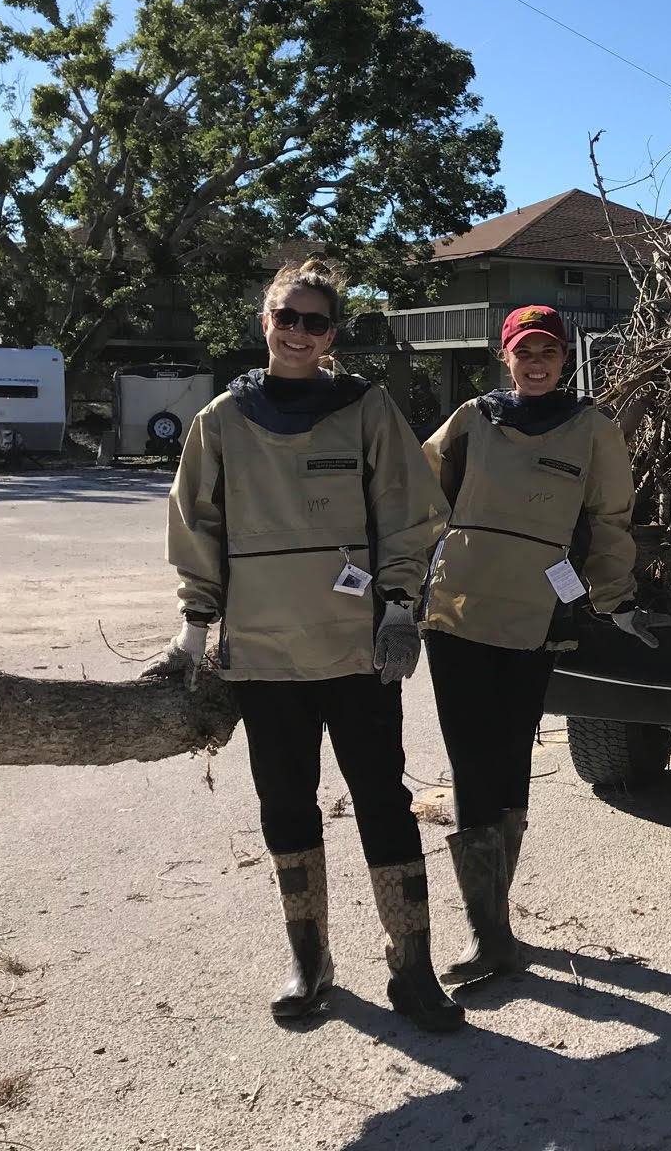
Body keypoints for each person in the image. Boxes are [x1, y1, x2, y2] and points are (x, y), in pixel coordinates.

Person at [156, 258, 463, 1032]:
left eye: (314, 321)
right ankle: (310, 958)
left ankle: (411, 967)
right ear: (264, 321)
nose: (298, 332)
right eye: (286, 317)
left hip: (357, 650)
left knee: (384, 804)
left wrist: (399, 607)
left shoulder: (367, 409)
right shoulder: (220, 422)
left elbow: (409, 512)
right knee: (285, 804)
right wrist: (195, 628)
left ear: (332, 333)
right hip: (261, 653)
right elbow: (197, 527)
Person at [419, 304, 668, 987]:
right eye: (524, 352)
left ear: (564, 359)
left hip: (534, 617)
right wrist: (399, 586)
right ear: (506, 356)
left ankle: (495, 925)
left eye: (548, 353)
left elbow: (610, 520)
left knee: (507, 758)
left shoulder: (592, 429)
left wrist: (613, 602)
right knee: (469, 762)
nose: (536, 364)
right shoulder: (472, 420)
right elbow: (418, 498)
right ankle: (489, 933)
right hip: (457, 612)